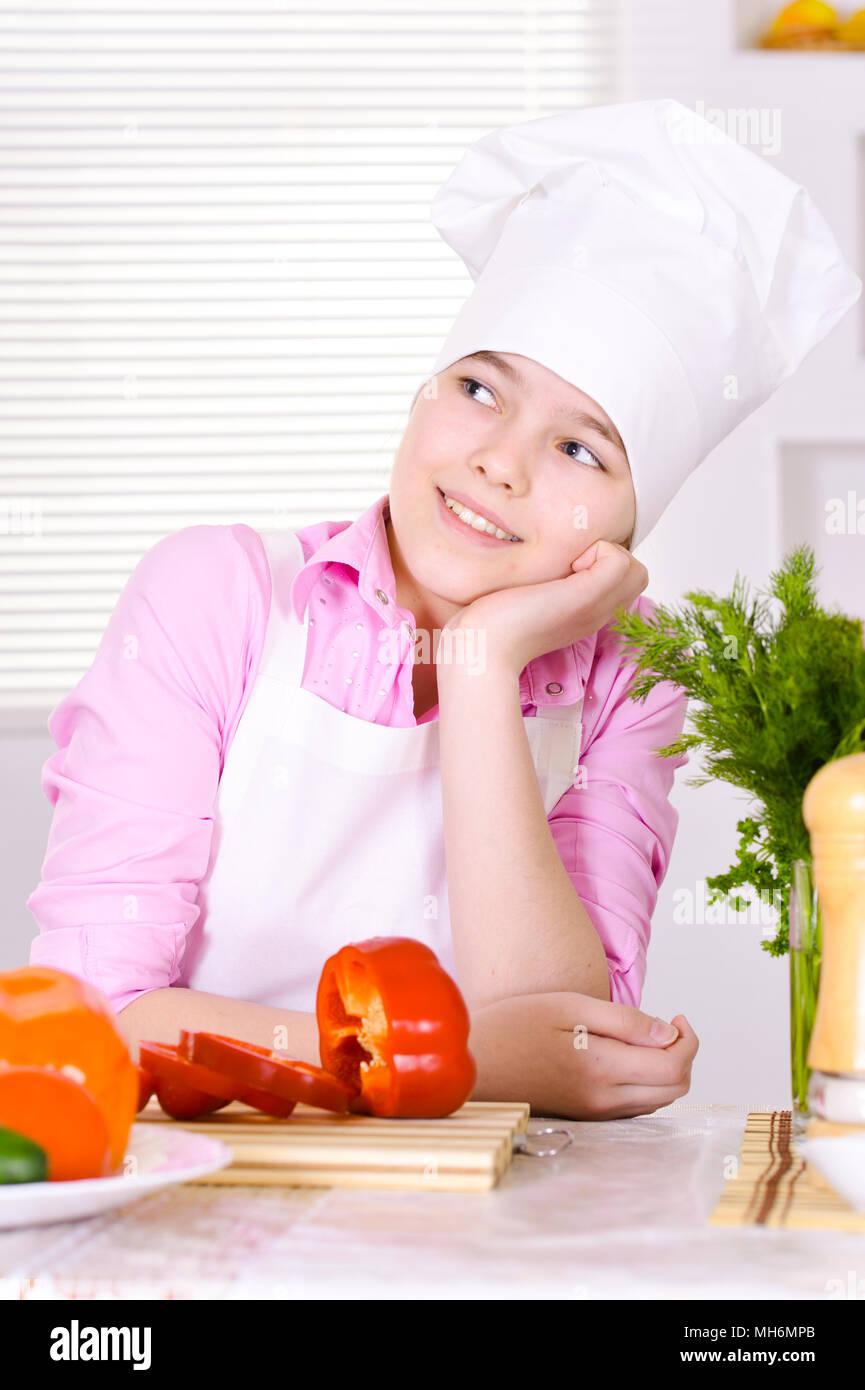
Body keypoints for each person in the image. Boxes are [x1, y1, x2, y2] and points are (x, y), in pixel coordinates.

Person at [26, 99, 861, 1120]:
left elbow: (564, 1028)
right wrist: (471, 1054)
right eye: (478, 388)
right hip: (203, 1202)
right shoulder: (219, 598)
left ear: (627, 525)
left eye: (579, 448)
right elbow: (95, 1018)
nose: (495, 460)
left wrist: (481, 663)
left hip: (476, 1227)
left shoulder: (624, 684)